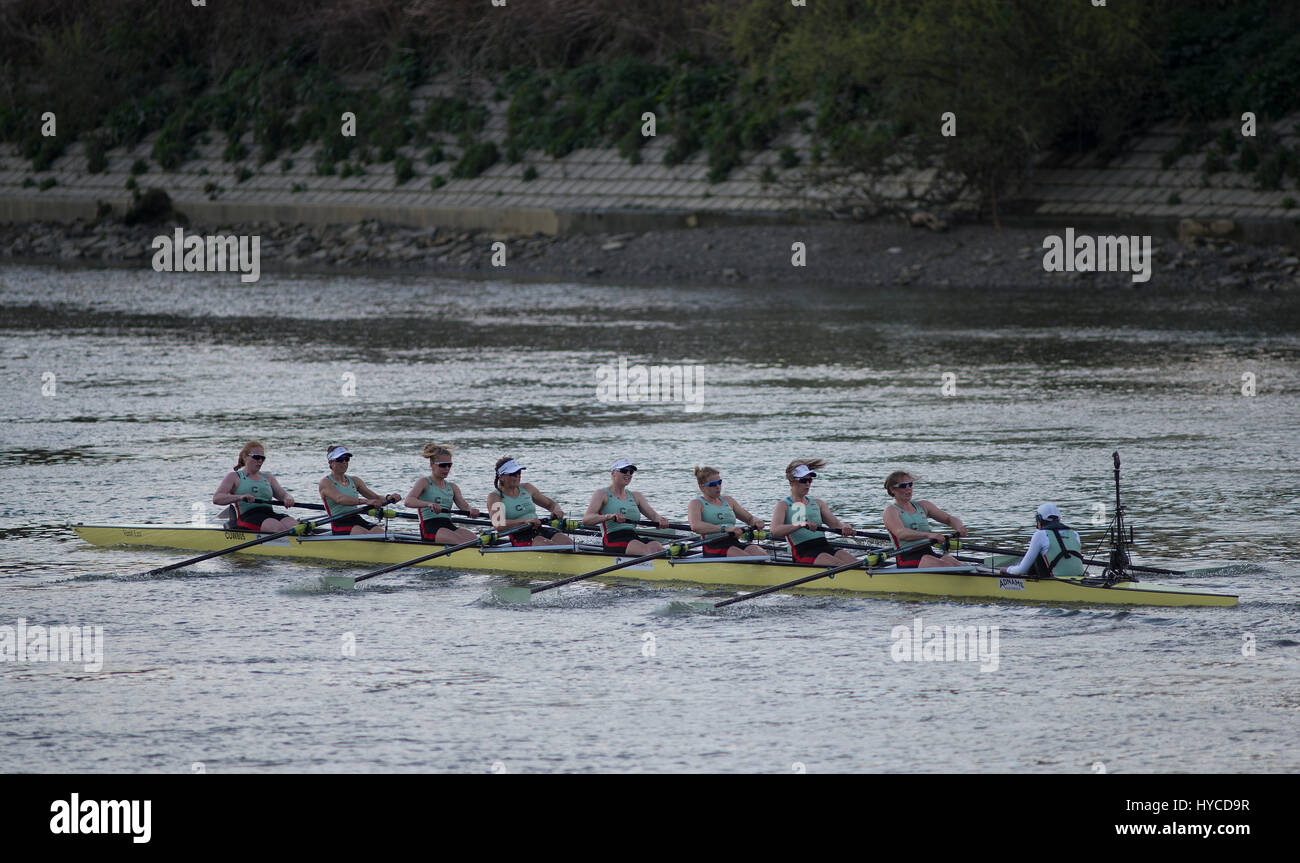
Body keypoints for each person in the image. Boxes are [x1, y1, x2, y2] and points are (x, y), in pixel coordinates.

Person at [772, 459, 858, 566]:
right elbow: (775, 531)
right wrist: (800, 524)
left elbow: (836, 524)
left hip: (824, 546)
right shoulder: (783, 505)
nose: (807, 484)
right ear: (791, 482)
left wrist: (845, 527)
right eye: (803, 481)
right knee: (830, 560)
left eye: (810, 480)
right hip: (802, 552)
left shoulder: (818, 503)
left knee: (849, 559)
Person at [582, 458, 671, 555]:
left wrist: (661, 520)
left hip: (633, 537)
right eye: (624, 470)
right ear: (613, 473)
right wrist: (609, 516)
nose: (628, 474)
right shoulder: (601, 494)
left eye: (631, 472)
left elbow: (654, 516)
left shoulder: (636, 496)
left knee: (657, 547)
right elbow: (586, 520)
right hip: (612, 539)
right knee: (647, 550)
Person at [881, 470, 966, 568]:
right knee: (933, 561)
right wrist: (929, 535)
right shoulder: (891, 511)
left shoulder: (923, 505)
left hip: (927, 553)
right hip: (906, 558)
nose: (908, 488)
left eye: (910, 484)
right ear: (892, 489)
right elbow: (901, 533)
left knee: (950, 560)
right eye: (903, 486)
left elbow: (948, 518)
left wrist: (959, 527)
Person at [212, 441, 298, 532]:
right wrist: (240, 497)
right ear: (245, 457)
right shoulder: (234, 477)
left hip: (269, 514)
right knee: (276, 527)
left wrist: (288, 498)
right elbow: (217, 498)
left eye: (262, 458)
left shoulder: (268, 477)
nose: (260, 461)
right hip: (247, 517)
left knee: (294, 525)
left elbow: (283, 495)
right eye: (256, 457)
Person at [404, 443, 480, 544]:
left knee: (476, 540)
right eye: (443, 465)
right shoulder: (424, 482)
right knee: (462, 543)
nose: (447, 469)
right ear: (432, 464)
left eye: (449, 465)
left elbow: (464, 506)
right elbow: (408, 501)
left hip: (448, 525)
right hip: (430, 528)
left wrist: (471, 510)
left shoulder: (452, 487)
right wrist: (429, 504)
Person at [486, 457, 572, 546]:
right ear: (501, 477)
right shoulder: (495, 497)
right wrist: (525, 521)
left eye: (519, 473)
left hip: (538, 529)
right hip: (519, 534)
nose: (518, 476)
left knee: (568, 543)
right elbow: (499, 524)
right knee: (549, 545)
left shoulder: (527, 488)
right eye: (513, 474)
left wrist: (557, 510)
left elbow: (552, 505)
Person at [318, 445, 400, 535]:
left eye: (347, 459)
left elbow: (375, 497)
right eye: (340, 459)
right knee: (361, 532)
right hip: (338, 522)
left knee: (379, 531)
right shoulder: (326, 482)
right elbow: (340, 499)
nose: (344, 462)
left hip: (356, 518)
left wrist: (389, 498)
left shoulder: (355, 480)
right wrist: (366, 501)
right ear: (330, 462)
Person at [686, 466, 768, 557]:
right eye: (713, 484)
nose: (718, 487)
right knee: (744, 557)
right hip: (713, 546)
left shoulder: (728, 500)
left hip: (733, 542)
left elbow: (749, 518)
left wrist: (757, 521)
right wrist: (724, 528)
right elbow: (695, 526)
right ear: (702, 487)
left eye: (719, 482)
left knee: (760, 553)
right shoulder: (696, 503)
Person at [999, 504, 1086, 578]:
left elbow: (1021, 570)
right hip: (1079, 578)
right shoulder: (1074, 534)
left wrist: (1007, 569)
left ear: (1039, 520)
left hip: (1055, 582)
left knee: (1035, 557)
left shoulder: (1040, 535)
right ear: (1058, 519)